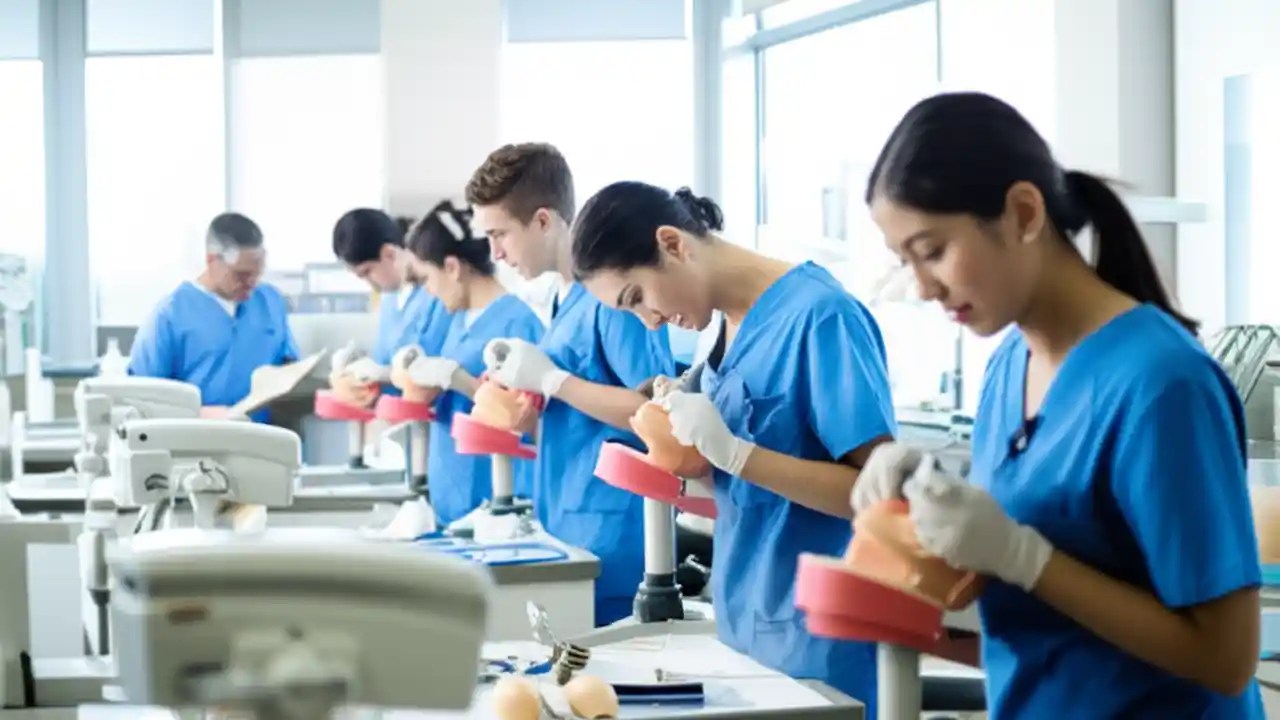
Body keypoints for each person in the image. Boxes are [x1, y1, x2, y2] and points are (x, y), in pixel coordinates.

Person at [853, 91, 1263, 719]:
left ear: (1022, 213)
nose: (924, 287)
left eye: (933, 251)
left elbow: (1227, 659)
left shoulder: (1162, 383)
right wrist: (923, 516)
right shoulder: (1007, 368)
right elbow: (1040, 617)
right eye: (906, 261)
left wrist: (1023, 556)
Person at [570, 180, 896, 711]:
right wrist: (692, 456)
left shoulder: (822, 316)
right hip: (746, 621)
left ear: (673, 244)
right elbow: (748, 492)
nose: (648, 321)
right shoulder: (717, 331)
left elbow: (878, 498)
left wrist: (737, 454)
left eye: (637, 299)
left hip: (818, 637)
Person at [466, 143, 674, 626]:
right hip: (567, 524)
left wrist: (553, 379)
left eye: (500, 234)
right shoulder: (564, 302)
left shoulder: (611, 298)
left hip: (614, 537)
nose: (495, 253)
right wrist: (526, 401)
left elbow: (655, 416)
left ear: (543, 221)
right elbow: (580, 417)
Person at [395, 202, 544, 524]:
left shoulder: (518, 323)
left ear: (451, 267)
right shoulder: (458, 318)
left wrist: (464, 382)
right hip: (450, 491)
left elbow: (525, 417)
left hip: (495, 495)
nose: (429, 291)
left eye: (427, 278)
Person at [129, 212, 299, 422]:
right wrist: (198, 414)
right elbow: (143, 398)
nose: (252, 283)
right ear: (212, 261)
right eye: (242, 275)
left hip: (261, 440)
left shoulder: (270, 302)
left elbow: (289, 364)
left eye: (257, 273)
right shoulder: (170, 315)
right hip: (196, 440)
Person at [332, 207, 452, 404]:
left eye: (367, 272)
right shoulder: (390, 298)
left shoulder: (437, 295)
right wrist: (358, 368)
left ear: (389, 254)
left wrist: (383, 373)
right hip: (395, 416)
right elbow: (386, 357)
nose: (369, 284)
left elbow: (437, 370)